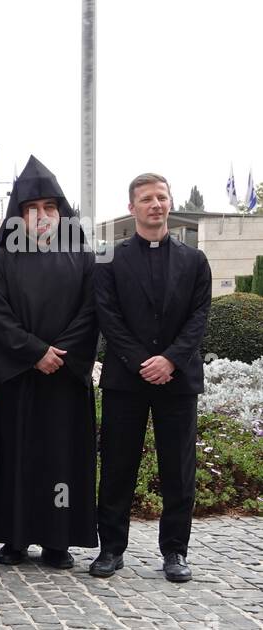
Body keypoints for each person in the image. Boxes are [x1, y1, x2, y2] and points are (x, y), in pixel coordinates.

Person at [93, 173, 211, 583]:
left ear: (170, 203)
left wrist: (170, 361)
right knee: (117, 466)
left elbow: (199, 318)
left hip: (177, 381)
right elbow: (108, 317)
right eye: (147, 199)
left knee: (178, 469)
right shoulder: (110, 259)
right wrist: (145, 360)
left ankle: (175, 551)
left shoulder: (194, 260)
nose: (155, 204)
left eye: (162, 197)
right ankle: (110, 549)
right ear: (132, 208)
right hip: (126, 378)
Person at [0, 157, 99, 570]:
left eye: (49, 207)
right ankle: (15, 539)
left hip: (65, 379)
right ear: (19, 215)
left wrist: (59, 354)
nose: (42, 215)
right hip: (19, 378)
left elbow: (91, 310)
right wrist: (35, 352)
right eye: (32, 208)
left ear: (60, 212)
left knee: (61, 459)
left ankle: (58, 539)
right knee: (18, 458)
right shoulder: (1, 259)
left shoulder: (82, 255)